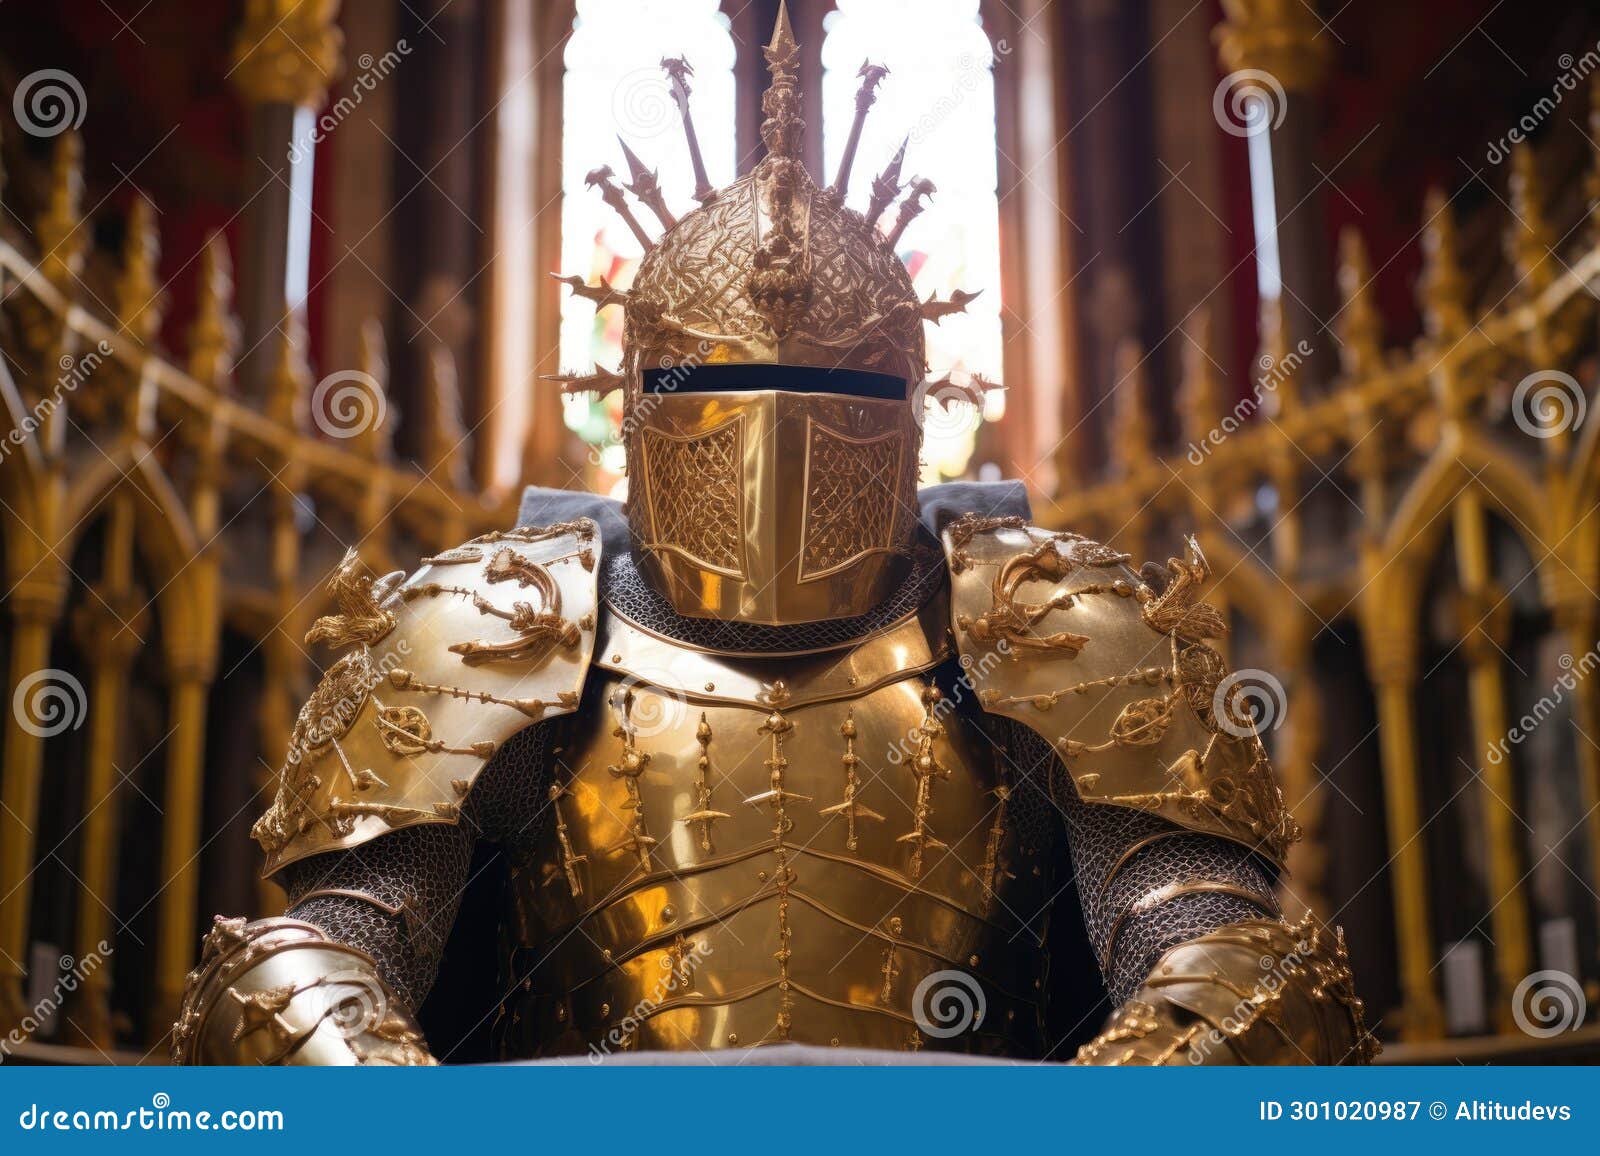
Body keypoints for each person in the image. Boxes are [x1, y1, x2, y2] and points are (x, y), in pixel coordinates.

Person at [173, 4, 1372, 1067]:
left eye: (835, 391)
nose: (774, 449)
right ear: (637, 395)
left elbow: (1238, 963)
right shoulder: (482, 630)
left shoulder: (1058, 624)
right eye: (717, 389)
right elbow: (301, 969)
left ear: (912, 404)